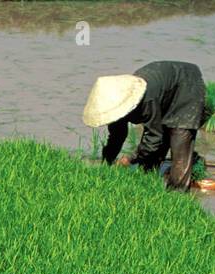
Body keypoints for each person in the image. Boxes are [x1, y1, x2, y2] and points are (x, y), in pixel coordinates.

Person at [83, 61, 206, 192]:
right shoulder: (115, 105)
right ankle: (149, 184)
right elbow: (117, 136)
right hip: (164, 91)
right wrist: (107, 161)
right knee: (151, 158)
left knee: (179, 141)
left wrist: (130, 158)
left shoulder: (146, 99)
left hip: (186, 86)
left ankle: (177, 195)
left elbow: (154, 137)